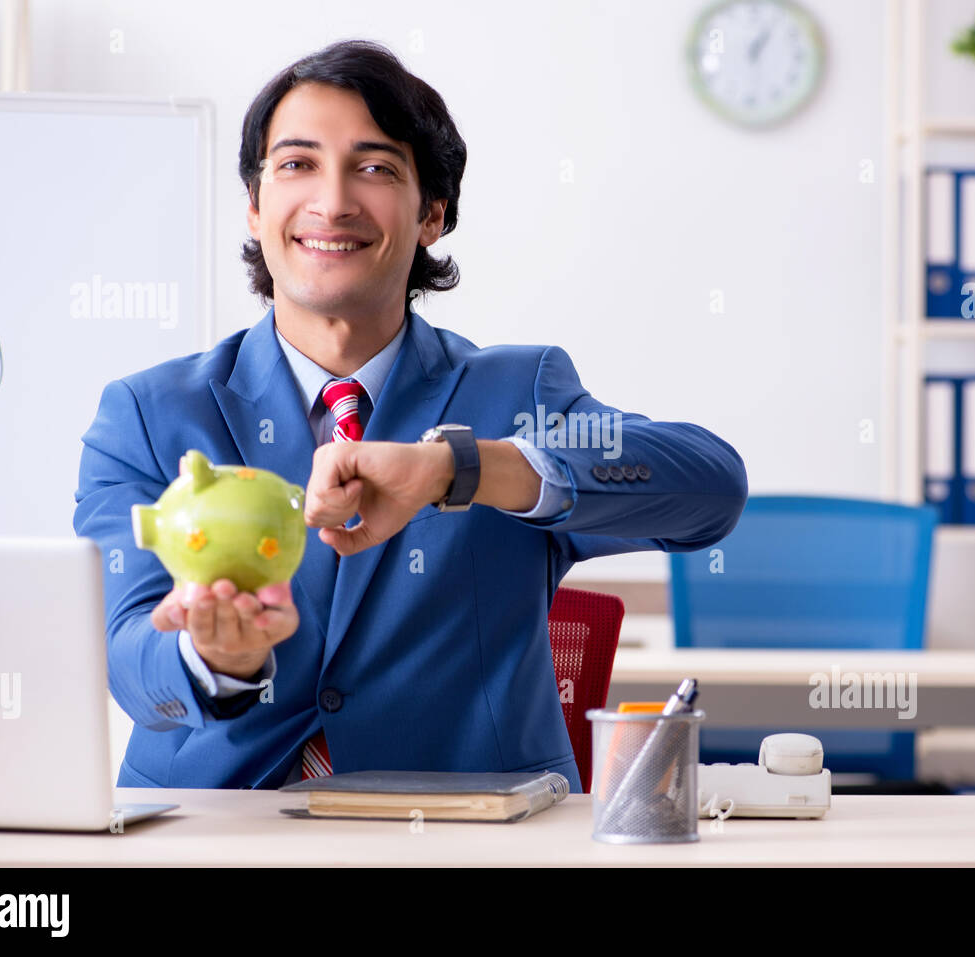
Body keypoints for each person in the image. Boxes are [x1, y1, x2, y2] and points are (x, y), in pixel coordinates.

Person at [73, 39, 747, 791]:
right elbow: (129, 660)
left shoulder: (516, 392)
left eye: (375, 168)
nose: (332, 201)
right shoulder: (147, 413)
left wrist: (466, 469)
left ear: (432, 214)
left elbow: (711, 490)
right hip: (215, 832)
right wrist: (215, 660)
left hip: (464, 837)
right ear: (257, 209)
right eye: (297, 164)